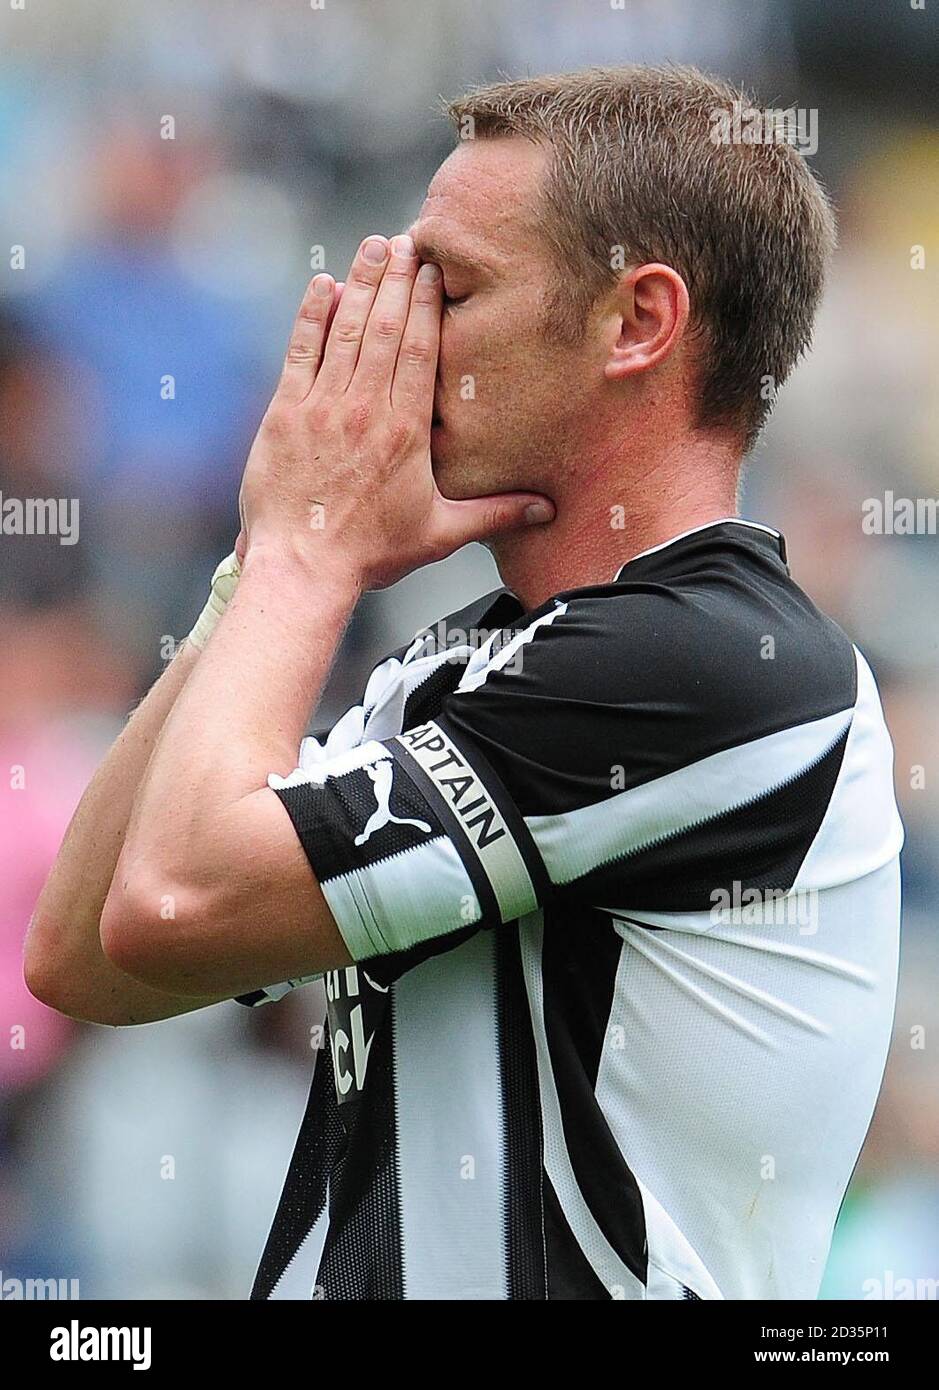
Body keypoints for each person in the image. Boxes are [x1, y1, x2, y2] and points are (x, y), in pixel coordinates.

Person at [27, 66, 903, 1301]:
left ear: (637, 322)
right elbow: (83, 954)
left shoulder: (715, 664)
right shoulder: (450, 666)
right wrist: (260, 564)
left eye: (455, 286)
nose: (399, 330)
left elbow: (171, 900)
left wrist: (305, 548)